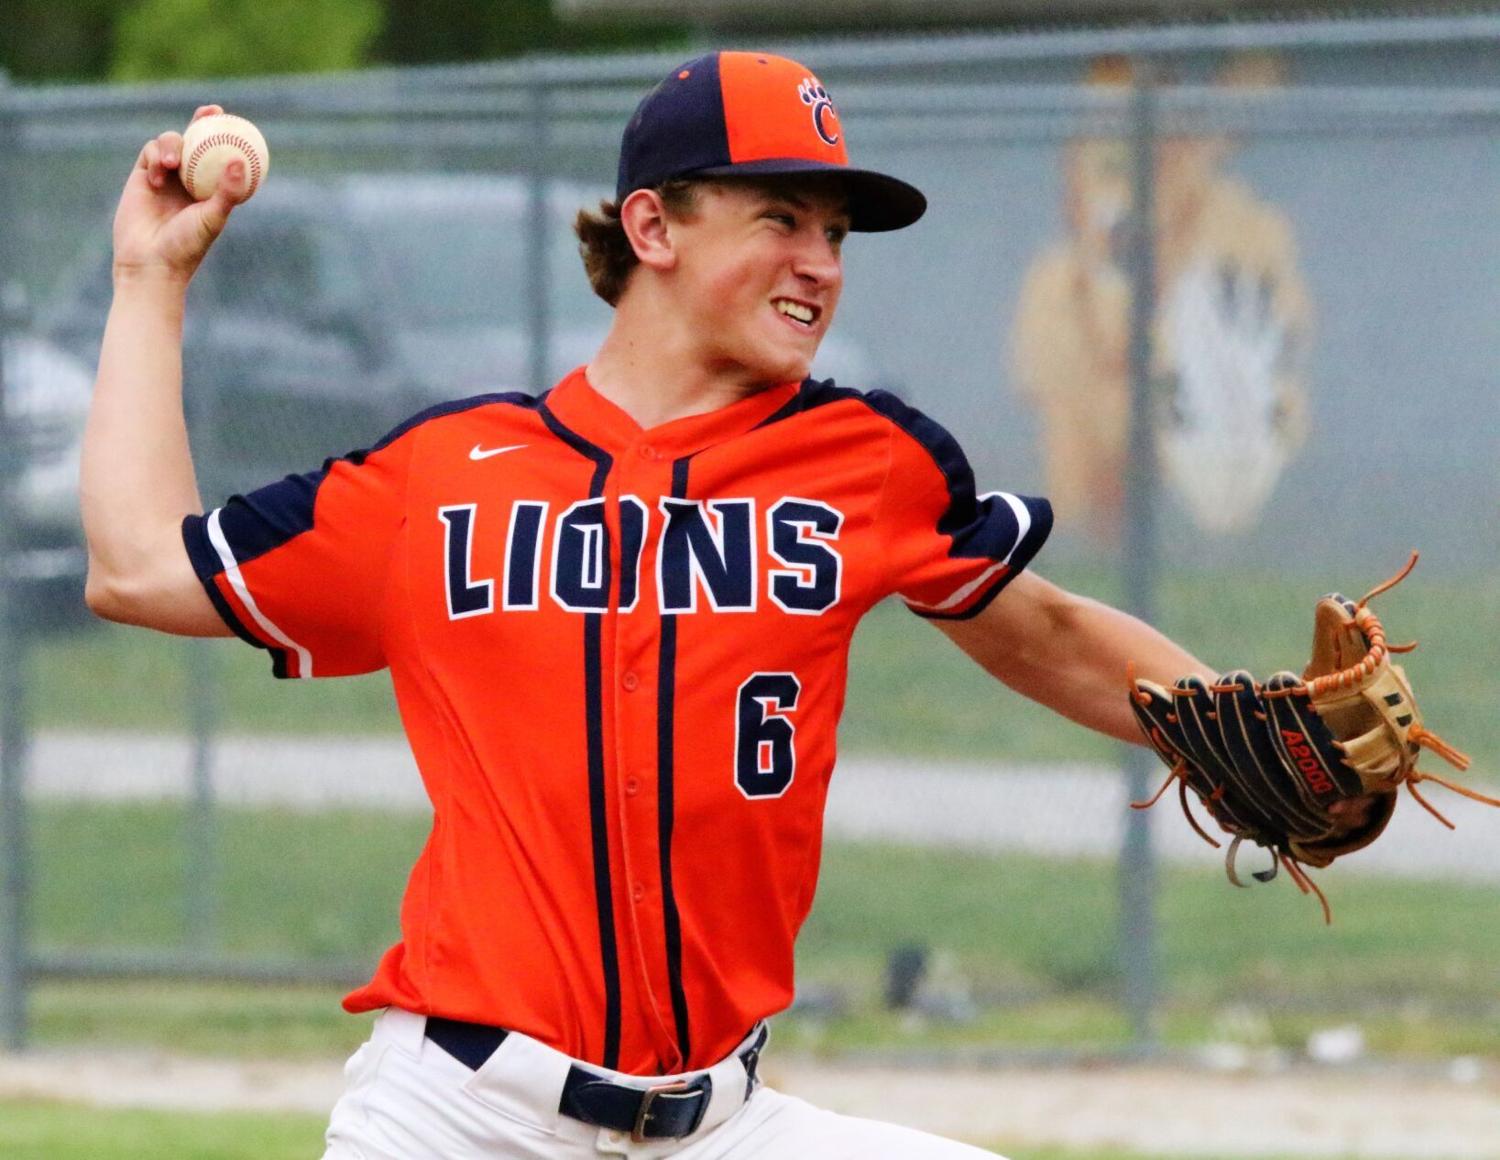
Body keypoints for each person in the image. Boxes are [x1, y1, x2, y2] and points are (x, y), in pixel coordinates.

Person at [82, 51, 1213, 1159]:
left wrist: (1247, 721)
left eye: (836, 232)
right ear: (654, 228)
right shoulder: (446, 472)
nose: (820, 261)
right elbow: (137, 568)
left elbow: (1048, 633)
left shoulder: (864, 459)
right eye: (780, 216)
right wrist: (151, 280)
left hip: (723, 1120)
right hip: (458, 1115)